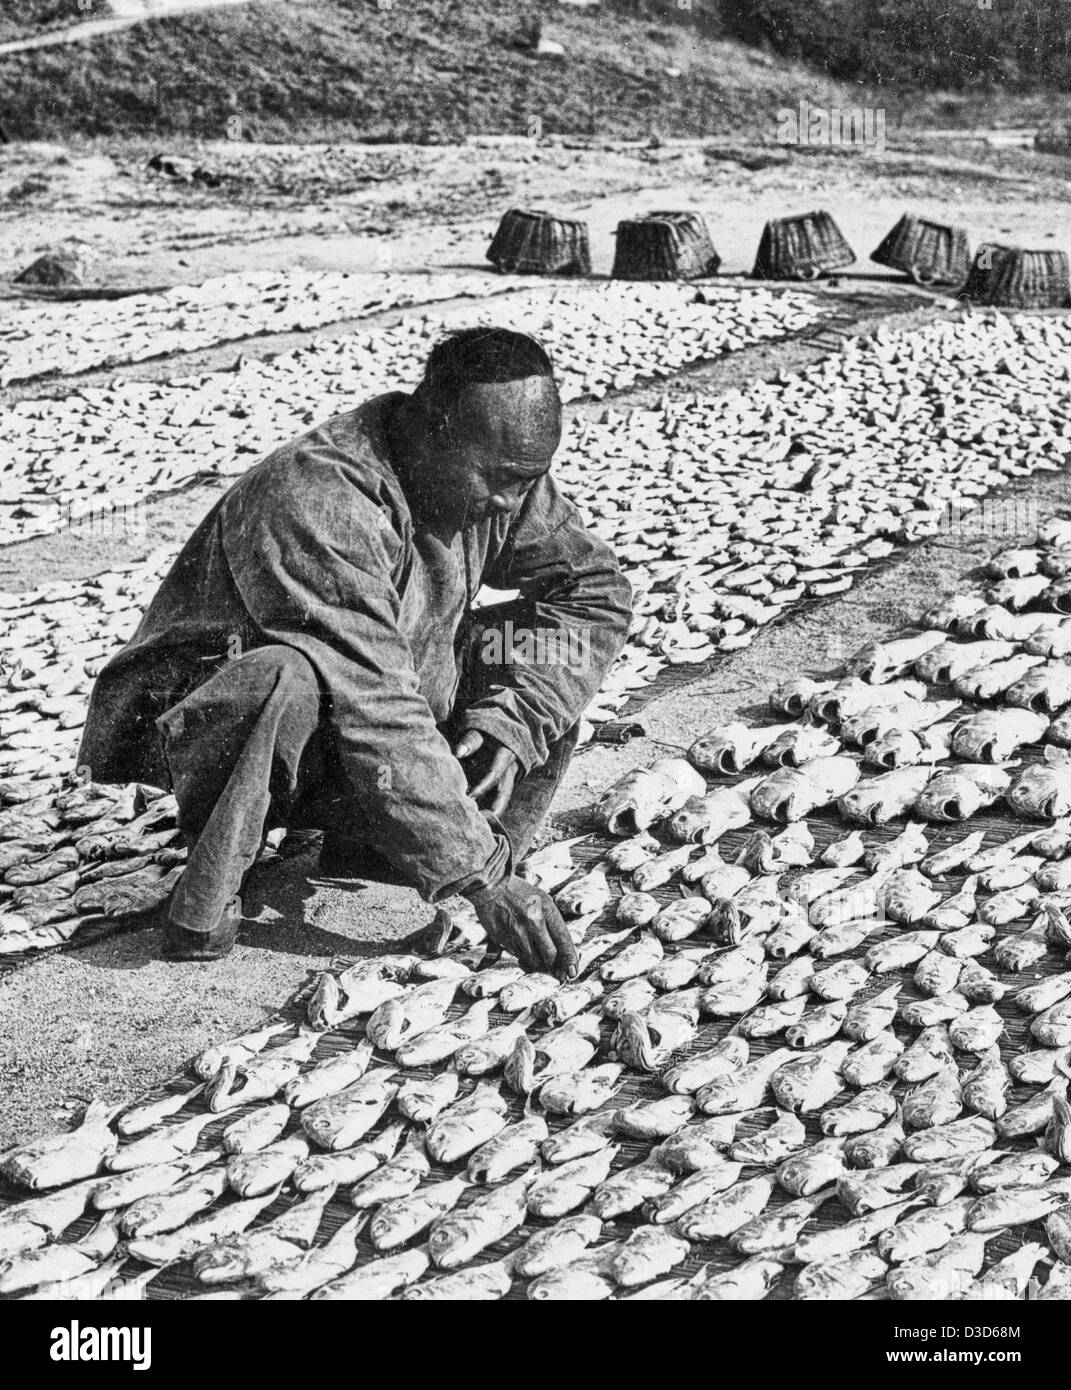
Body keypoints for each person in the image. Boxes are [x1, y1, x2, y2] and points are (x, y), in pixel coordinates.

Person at [77, 328, 632, 974]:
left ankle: (382, 845)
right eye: (502, 480)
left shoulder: (503, 479)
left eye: (528, 480)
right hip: (207, 716)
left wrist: (513, 720)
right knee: (283, 675)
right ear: (434, 431)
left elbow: (593, 592)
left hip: (366, 699)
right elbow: (376, 706)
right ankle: (206, 891)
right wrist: (480, 880)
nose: (511, 503)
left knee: (539, 671)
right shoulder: (319, 495)